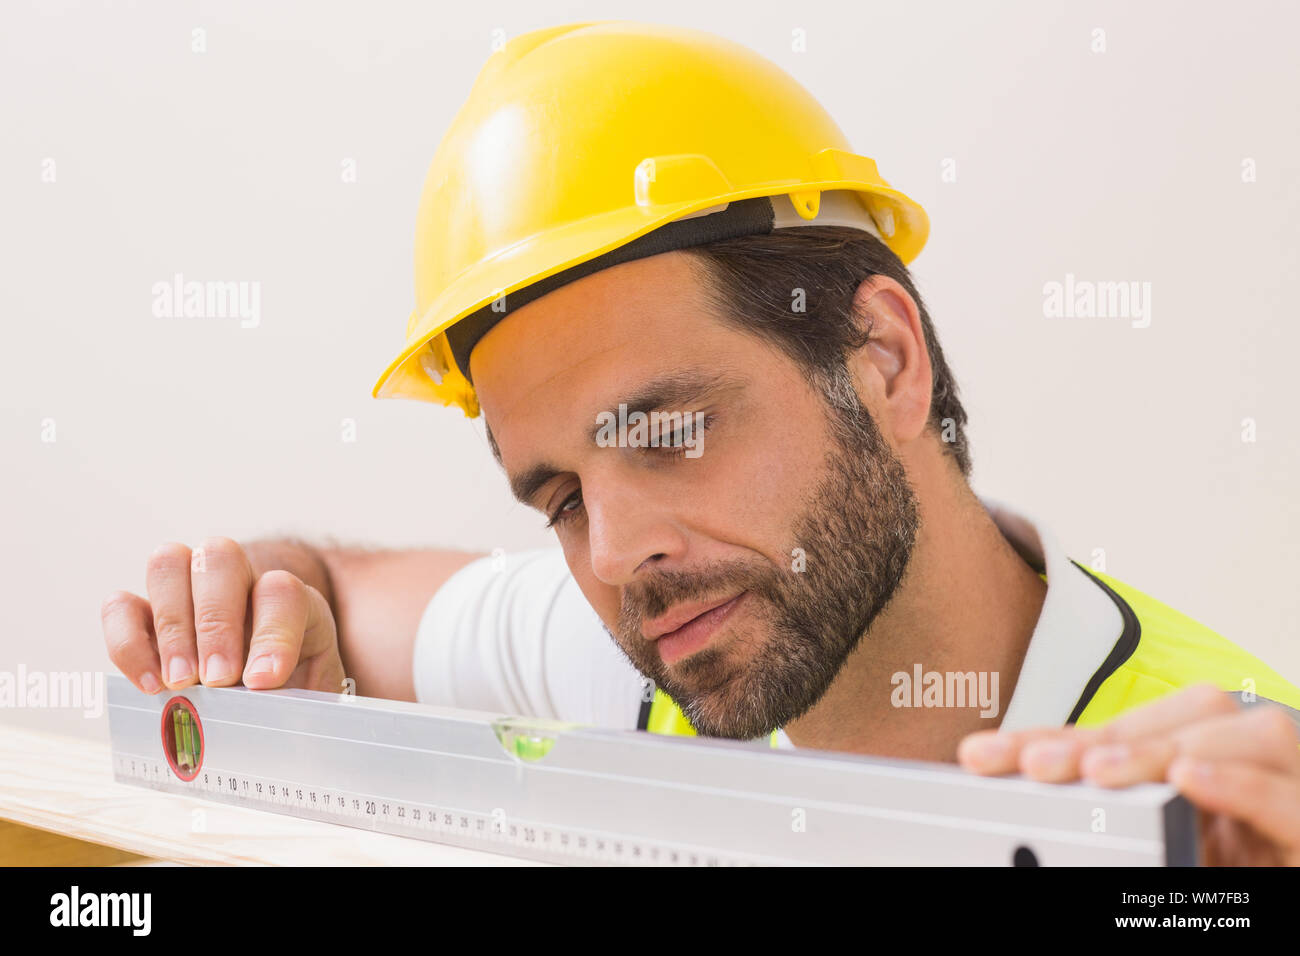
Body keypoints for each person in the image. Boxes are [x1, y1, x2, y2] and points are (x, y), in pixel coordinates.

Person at [101, 21, 1300, 864]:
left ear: (882, 358)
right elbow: (325, 587)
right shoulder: (633, 656)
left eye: (668, 432)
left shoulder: (1206, 793)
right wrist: (242, 611)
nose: (617, 554)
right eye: (560, 494)